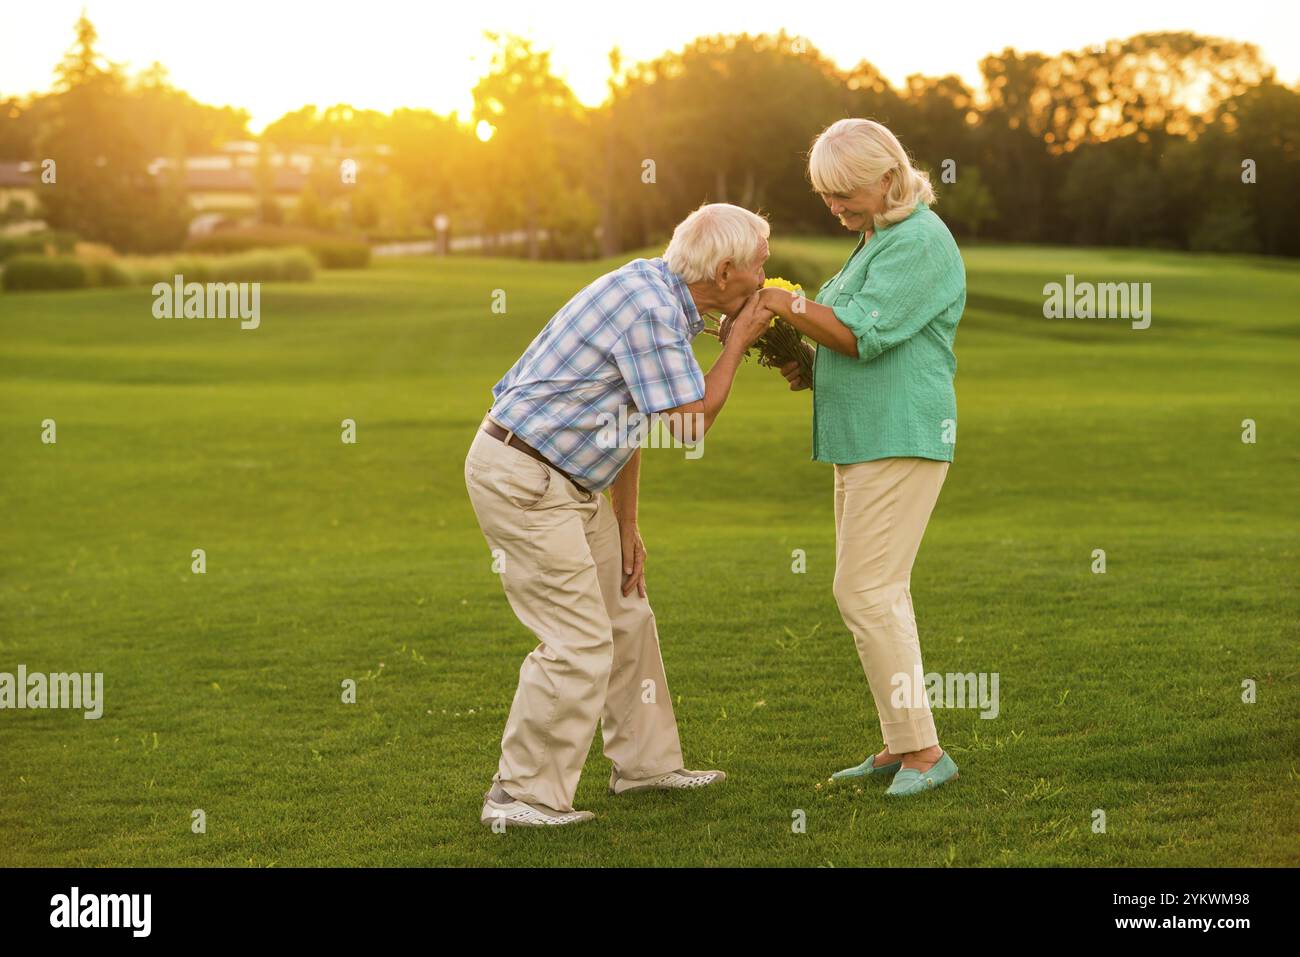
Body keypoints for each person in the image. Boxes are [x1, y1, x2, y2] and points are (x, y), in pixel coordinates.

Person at [467, 202, 776, 826]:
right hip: (526, 477)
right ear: (723, 272)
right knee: (578, 639)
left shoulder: (658, 294)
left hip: (571, 480)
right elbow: (689, 423)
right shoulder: (650, 310)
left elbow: (633, 419)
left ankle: (646, 766)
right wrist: (739, 341)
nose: (766, 281)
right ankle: (518, 796)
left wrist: (627, 524)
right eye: (760, 268)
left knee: (626, 612)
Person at [732, 118, 966, 797]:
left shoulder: (919, 240)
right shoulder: (877, 239)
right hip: (864, 436)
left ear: (889, 177)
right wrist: (798, 358)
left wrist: (781, 299)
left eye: (845, 193)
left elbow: (864, 335)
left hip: (902, 432)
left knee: (865, 589)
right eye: (826, 196)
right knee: (877, 590)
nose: (835, 207)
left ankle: (926, 752)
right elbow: (840, 337)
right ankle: (902, 745)